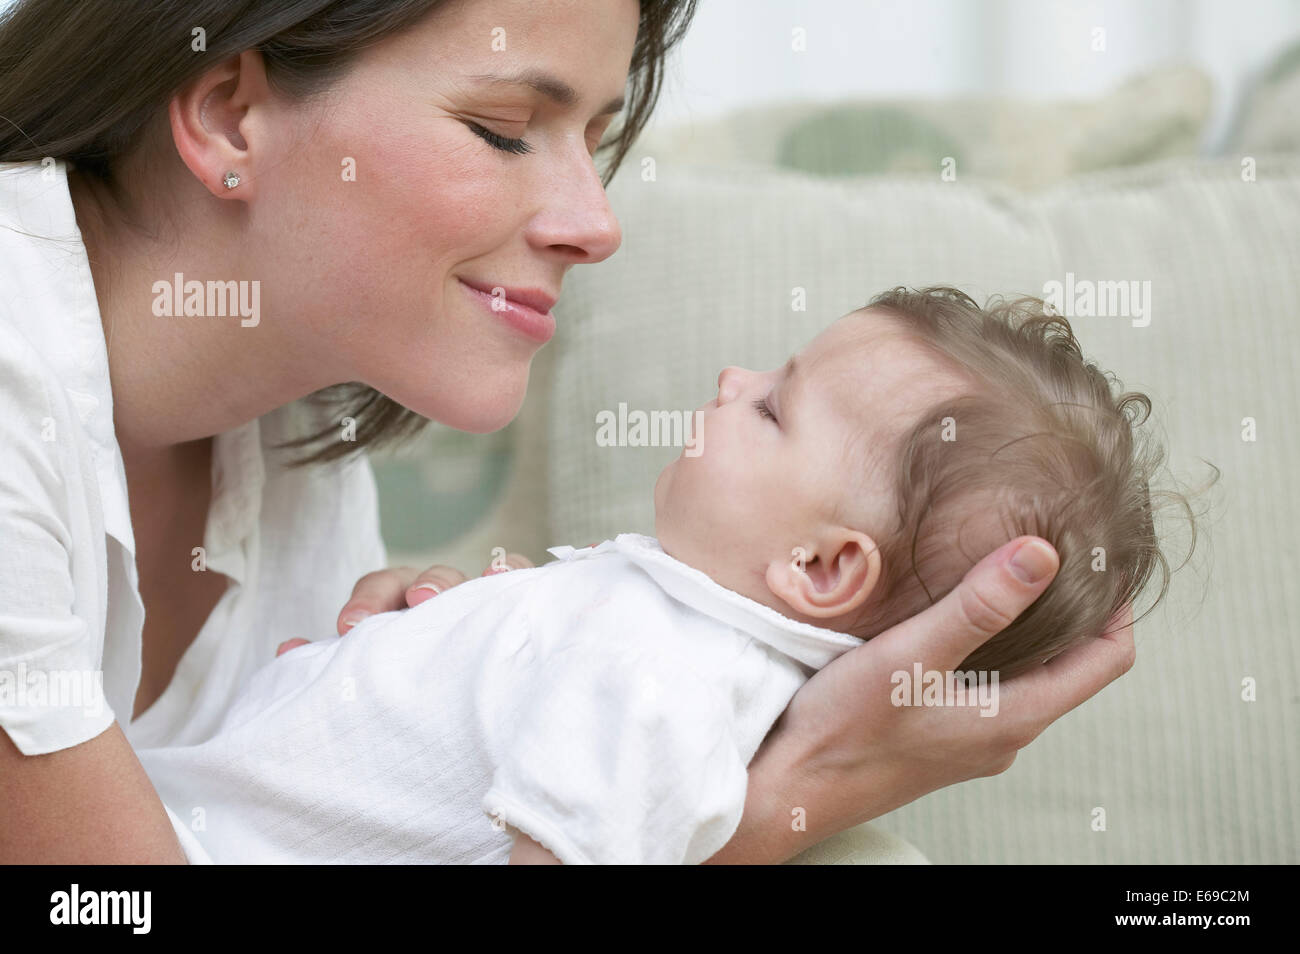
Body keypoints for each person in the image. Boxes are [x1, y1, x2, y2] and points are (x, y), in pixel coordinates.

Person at [0, 0, 1134, 864]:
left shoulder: (290, 431)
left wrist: (423, 695)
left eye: (595, 136)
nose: (596, 224)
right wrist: (801, 789)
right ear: (226, 114)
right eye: (503, 129)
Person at [137, 292, 1165, 864]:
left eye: (771, 408)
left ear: (819, 567)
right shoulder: (667, 637)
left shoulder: (655, 670)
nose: (732, 380)